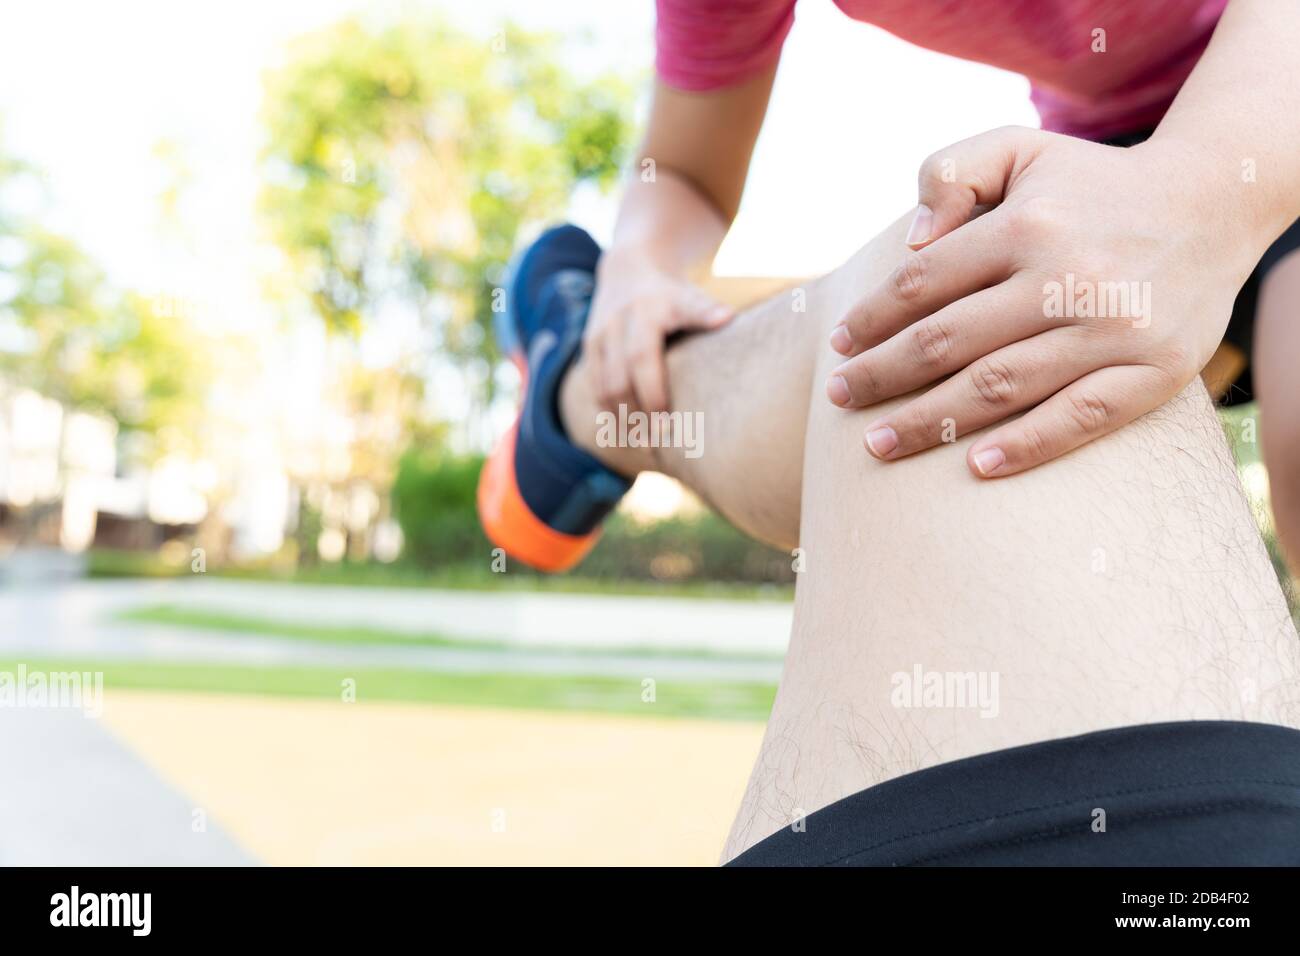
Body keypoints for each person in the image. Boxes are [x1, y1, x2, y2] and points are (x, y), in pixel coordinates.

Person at [475, 0, 1300, 864]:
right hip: (1118, 141)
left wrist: (1200, 188)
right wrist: (637, 268)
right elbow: (684, 168)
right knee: (972, 320)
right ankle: (592, 390)